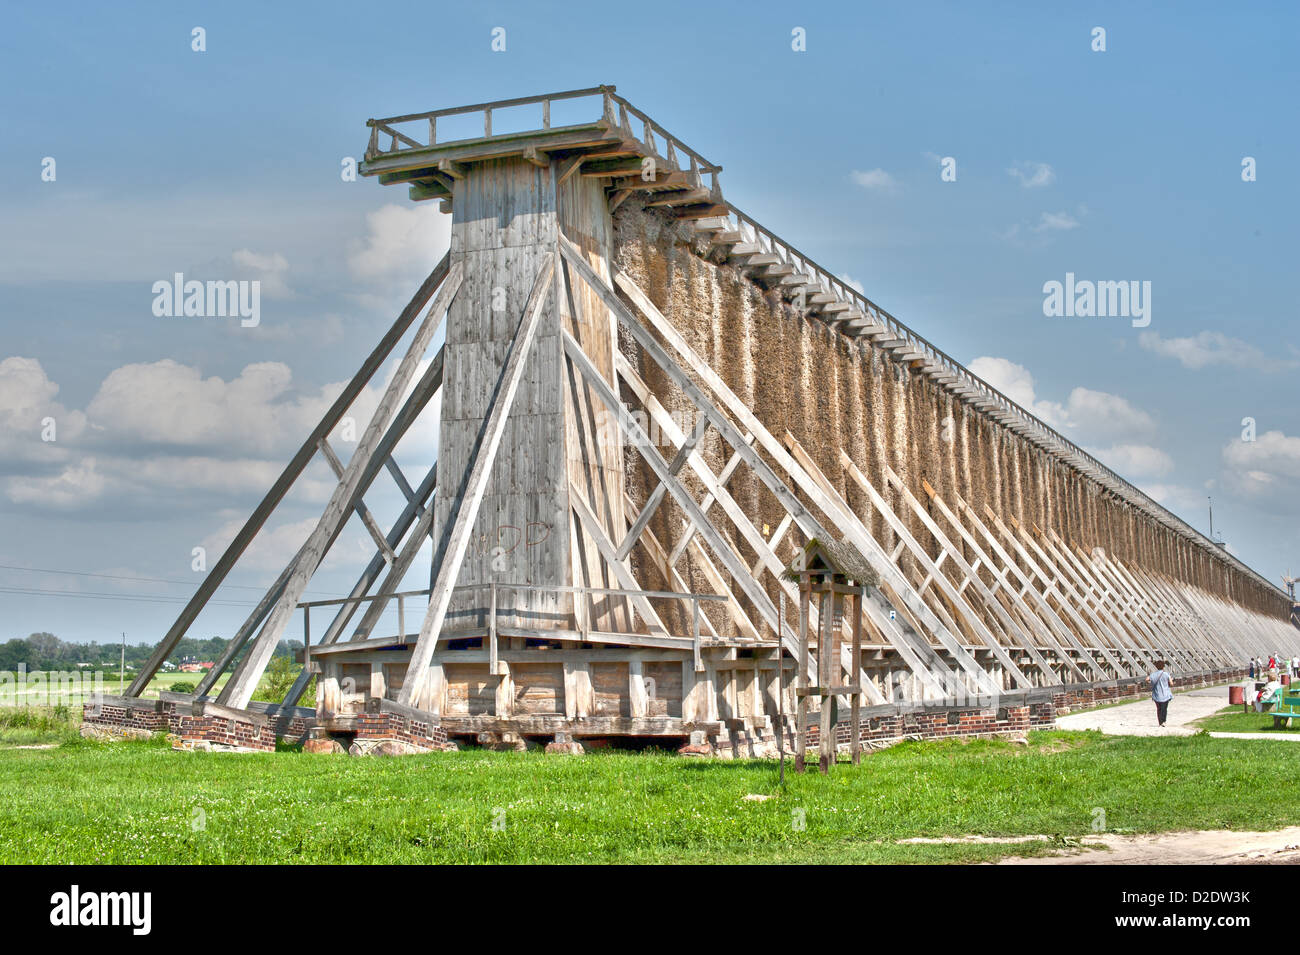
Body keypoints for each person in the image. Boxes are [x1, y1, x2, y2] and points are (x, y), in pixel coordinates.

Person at [1150, 660, 1173, 727]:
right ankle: (1163, 721)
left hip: (1157, 695)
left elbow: (1147, 679)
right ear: (1163, 666)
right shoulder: (1166, 674)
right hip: (1165, 694)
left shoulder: (1153, 674)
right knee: (1164, 709)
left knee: (1159, 709)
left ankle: (1160, 722)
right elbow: (1171, 684)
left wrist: (1150, 683)